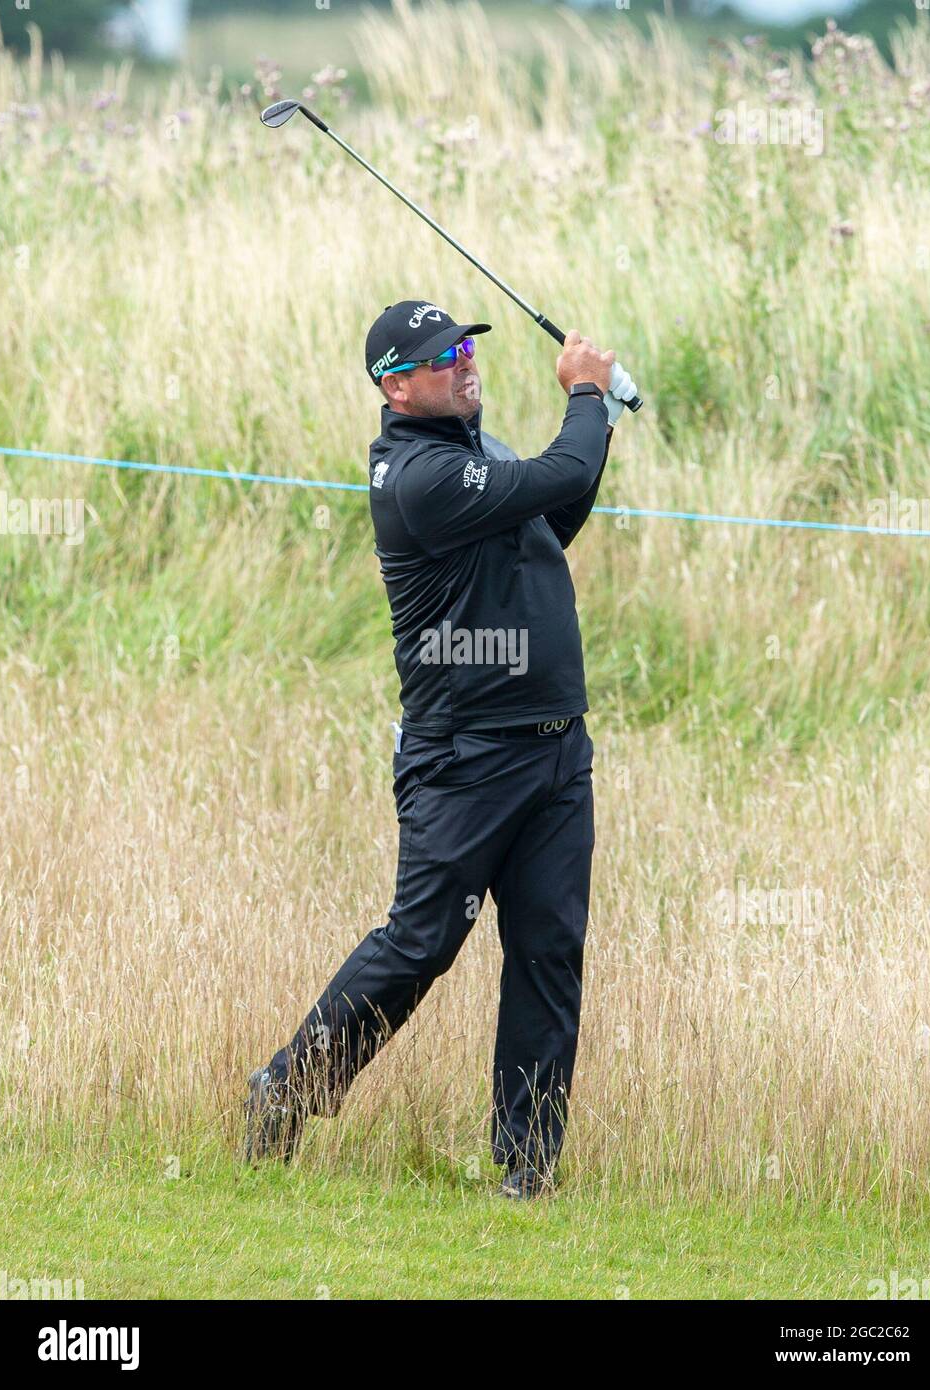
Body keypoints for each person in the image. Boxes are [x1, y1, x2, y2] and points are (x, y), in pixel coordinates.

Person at [244, 299, 638, 1198]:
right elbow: (557, 472)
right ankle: (288, 1089)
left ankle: (526, 1169)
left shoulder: (477, 458)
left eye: (465, 346)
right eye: (440, 357)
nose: (464, 364)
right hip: (464, 759)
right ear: (396, 386)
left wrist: (597, 415)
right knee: (421, 944)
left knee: (547, 951)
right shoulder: (414, 475)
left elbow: (553, 512)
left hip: (553, 756)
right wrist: (586, 396)